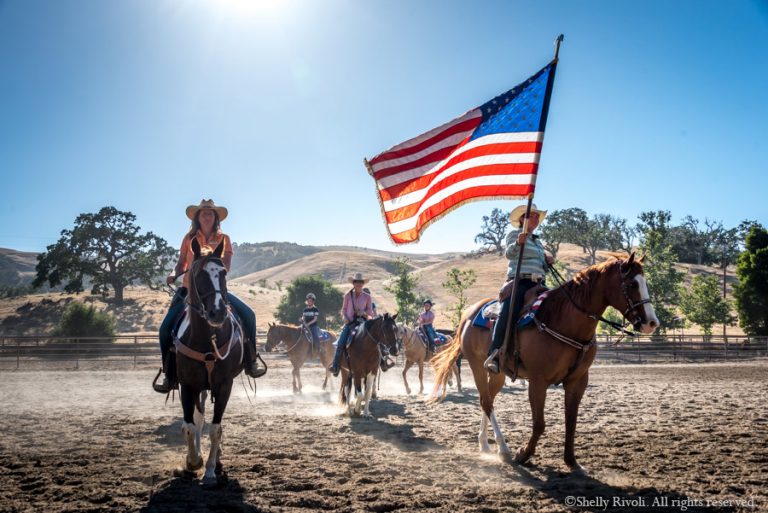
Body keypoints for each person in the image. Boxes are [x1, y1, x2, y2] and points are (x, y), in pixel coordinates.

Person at [154, 199, 265, 394]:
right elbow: (181, 264)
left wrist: (209, 266)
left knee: (249, 315)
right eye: (203, 213)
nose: (206, 216)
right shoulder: (189, 238)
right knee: (165, 329)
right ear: (197, 217)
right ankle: (168, 374)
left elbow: (226, 265)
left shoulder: (224, 239)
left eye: (210, 213)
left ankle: (251, 360)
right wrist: (173, 274)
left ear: (215, 217)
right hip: (189, 290)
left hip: (215, 290)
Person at [484, 204, 553, 374]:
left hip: (539, 284)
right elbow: (509, 254)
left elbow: (542, 267)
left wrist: (548, 262)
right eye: (532, 215)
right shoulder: (514, 234)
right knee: (509, 312)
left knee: (558, 307)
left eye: (537, 216)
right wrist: (517, 243)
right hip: (519, 282)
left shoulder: (538, 242)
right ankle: (495, 353)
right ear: (523, 219)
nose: (536, 219)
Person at [328, 273, 374, 377]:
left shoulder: (367, 297)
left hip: (363, 323)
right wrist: (344, 317)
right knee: (340, 343)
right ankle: (335, 365)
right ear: (353, 283)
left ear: (363, 284)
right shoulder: (348, 296)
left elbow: (370, 313)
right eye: (357, 282)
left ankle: (382, 362)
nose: (359, 284)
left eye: (361, 282)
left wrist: (364, 313)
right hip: (350, 323)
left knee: (376, 340)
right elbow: (343, 310)